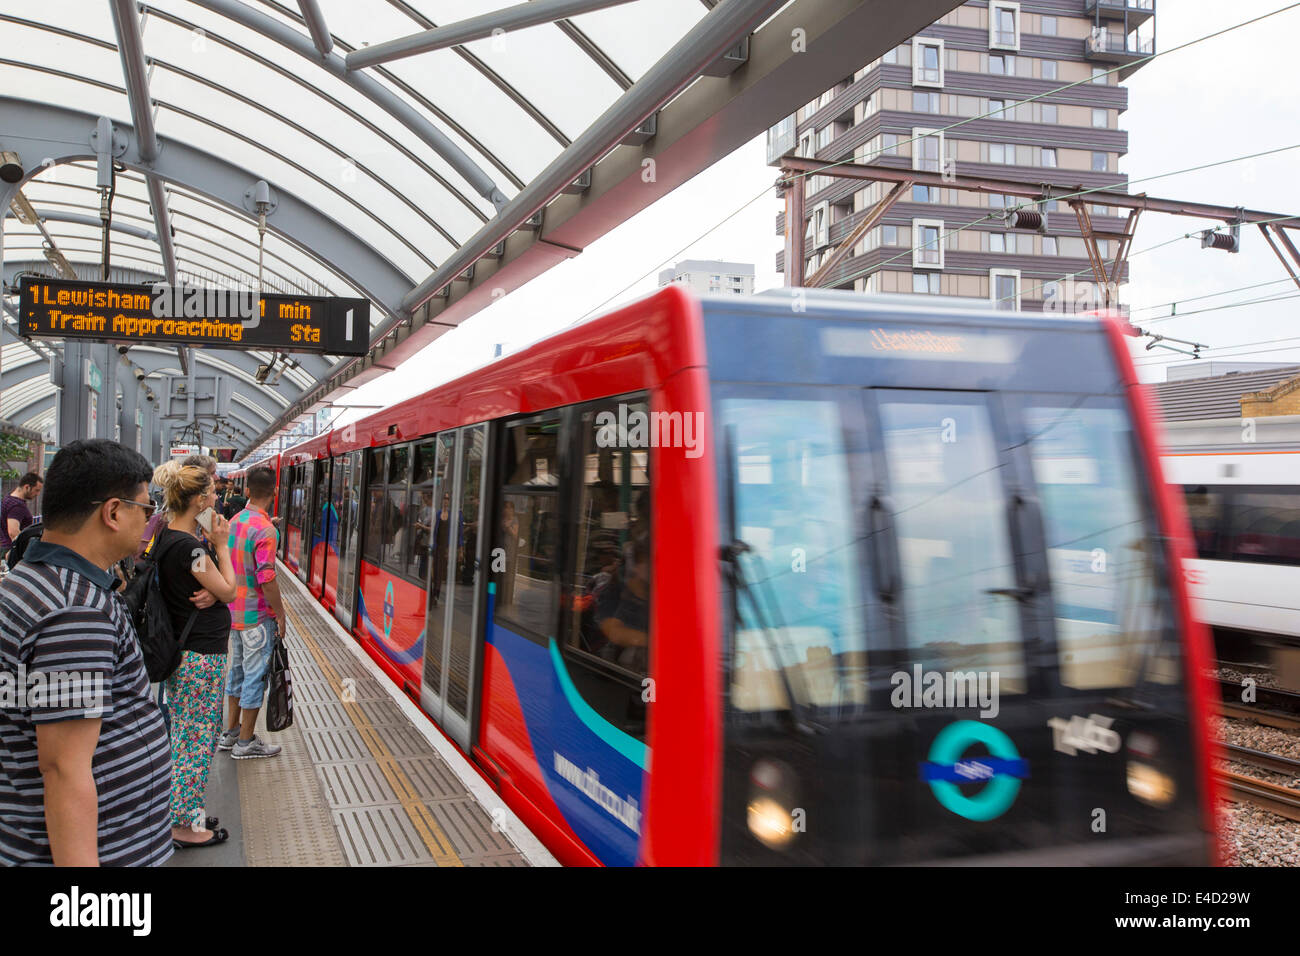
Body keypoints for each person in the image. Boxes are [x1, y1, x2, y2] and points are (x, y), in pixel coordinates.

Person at [0, 440, 171, 865]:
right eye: (145, 510)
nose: (148, 521)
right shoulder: (74, 611)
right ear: (113, 512)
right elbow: (64, 770)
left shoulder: (32, 580)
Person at [151, 459, 237, 849]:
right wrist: (221, 546)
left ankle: (185, 810)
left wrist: (212, 585)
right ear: (199, 500)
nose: (217, 500)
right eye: (214, 494)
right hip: (199, 657)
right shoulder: (190, 548)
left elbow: (211, 587)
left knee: (187, 734)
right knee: (197, 739)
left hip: (187, 655)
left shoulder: (170, 538)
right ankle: (184, 826)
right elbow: (230, 590)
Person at [218, 466, 285, 760]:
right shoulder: (267, 529)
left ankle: (230, 733)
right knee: (255, 677)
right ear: (275, 493)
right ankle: (246, 743)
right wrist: (280, 614)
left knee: (237, 672)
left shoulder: (233, 521)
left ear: (246, 492)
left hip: (233, 613)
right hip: (257, 617)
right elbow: (266, 577)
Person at [1, 472, 42, 557]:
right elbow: (13, 532)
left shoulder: (8, 499)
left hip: (5, 547)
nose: (38, 494)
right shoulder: (17, 505)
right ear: (27, 487)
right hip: (11, 551)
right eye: (36, 490)